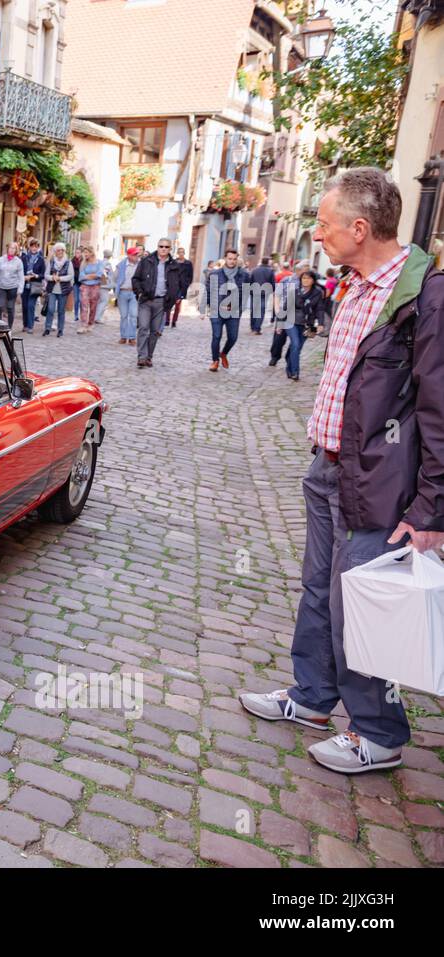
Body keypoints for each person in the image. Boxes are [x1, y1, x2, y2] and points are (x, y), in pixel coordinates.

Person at [239, 167, 444, 775]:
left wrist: (431, 507)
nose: (318, 236)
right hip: (328, 467)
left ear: (360, 227)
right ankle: (311, 698)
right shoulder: (354, 284)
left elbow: (437, 409)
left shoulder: (424, 297)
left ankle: (378, 734)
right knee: (320, 591)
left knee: (362, 605)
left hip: (381, 482)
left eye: (325, 226)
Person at [132, 238, 186, 367]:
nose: (163, 249)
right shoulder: (147, 261)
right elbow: (135, 279)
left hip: (162, 302)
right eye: (161, 246)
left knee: (155, 331)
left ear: (170, 249)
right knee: (143, 327)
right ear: (157, 246)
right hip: (146, 299)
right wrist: (139, 292)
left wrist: (174, 297)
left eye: (166, 247)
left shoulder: (174, 265)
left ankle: (149, 357)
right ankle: (142, 357)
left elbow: (178, 283)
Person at [271, 269, 325, 381]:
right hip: (291, 321)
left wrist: (320, 323)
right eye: (303, 278)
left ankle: (289, 365)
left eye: (308, 278)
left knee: (297, 348)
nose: (305, 280)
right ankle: (295, 372)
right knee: (295, 344)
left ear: (313, 280)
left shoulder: (318, 293)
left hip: (309, 324)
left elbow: (320, 309)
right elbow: (285, 307)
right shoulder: (294, 291)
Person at [204, 248, 248, 371]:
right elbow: (208, 291)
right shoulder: (214, 274)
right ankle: (215, 361)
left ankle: (223, 353)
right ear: (225, 259)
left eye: (234, 259)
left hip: (233, 311)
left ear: (237, 259)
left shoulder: (243, 275)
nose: (232, 261)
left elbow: (246, 291)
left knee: (233, 337)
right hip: (217, 310)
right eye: (229, 258)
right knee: (216, 336)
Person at [0, 241, 24, 326]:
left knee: (10, 308)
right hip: (0, 286)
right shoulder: (0, 260)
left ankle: (9, 328)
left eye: (14, 248)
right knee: (0, 306)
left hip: (13, 287)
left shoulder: (18, 262)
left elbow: (21, 277)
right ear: (7, 249)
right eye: (10, 248)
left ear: (16, 250)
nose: (11, 250)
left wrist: (20, 290)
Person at [42, 243, 74, 337]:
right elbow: (46, 275)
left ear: (64, 251)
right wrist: (52, 277)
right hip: (52, 289)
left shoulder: (68, 262)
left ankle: (60, 330)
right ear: (55, 252)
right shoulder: (52, 262)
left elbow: (70, 276)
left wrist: (60, 278)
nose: (60, 252)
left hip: (63, 290)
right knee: (50, 309)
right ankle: (47, 328)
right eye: (58, 250)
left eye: (61, 250)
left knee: (61, 310)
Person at [113, 246, 141, 345]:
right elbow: (114, 277)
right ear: (129, 255)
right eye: (134, 254)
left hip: (134, 293)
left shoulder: (140, 265)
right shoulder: (121, 265)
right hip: (122, 292)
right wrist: (117, 287)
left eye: (137, 254)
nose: (137, 256)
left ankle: (132, 337)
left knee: (133, 315)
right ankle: (124, 336)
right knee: (124, 316)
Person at [76, 246, 105, 333]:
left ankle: (90, 323)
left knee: (93, 306)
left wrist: (87, 276)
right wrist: (92, 276)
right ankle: (83, 325)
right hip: (84, 286)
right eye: (84, 253)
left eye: (86, 252)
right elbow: (80, 277)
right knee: (84, 305)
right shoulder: (84, 263)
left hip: (95, 286)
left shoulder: (99, 263)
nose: (85, 254)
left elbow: (99, 274)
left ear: (91, 253)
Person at [20, 238, 46, 331]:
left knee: (31, 306)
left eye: (36, 246)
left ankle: (30, 326)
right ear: (29, 247)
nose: (34, 248)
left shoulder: (41, 259)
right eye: (32, 246)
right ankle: (25, 325)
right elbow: (20, 271)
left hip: (35, 285)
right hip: (25, 284)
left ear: (38, 248)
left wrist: (35, 275)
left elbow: (43, 275)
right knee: (25, 306)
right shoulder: (24, 258)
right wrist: (24, 276)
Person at [247, 255, 276, 335]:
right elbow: (272, 283)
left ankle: (253, 327)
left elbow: (250, 280)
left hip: (254, 292)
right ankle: (257, 328)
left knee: (254, 310)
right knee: (261, 311)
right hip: (264, 293)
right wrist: (272, 291)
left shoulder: (254, 270)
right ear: (268, 262)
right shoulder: (270, 271)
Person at [167, 246, 193, 328]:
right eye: (179, 252)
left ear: (184, 253)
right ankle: (167, 320)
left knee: (178, 305)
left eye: (182, 252)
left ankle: (174, 321)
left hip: (182, 287)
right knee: (169, 303)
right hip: (172, 286)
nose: (181, 253)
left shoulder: (188, 263)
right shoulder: (173, 262)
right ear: (177, 253)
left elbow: (190, 275)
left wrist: (187, 283)